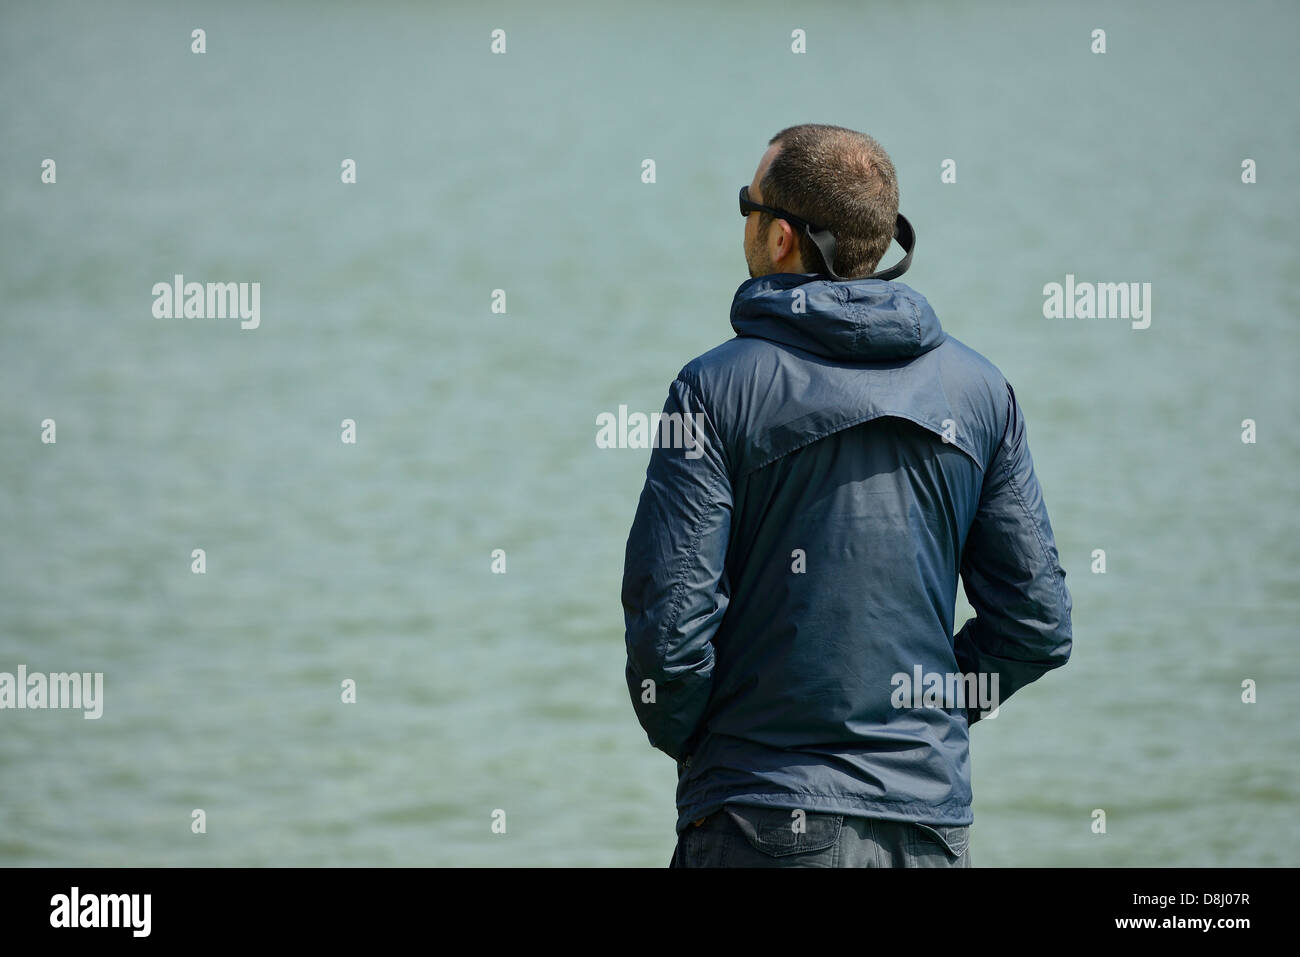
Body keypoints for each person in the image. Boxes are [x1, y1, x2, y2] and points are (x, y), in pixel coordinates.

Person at [621, 123, 1073, 867]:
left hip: (757, 817)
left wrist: (712, 742)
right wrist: (930, 710)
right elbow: (1037, 624)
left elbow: (669, 636)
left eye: (748, 203)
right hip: (927, 831)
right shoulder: (983, 391)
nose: (745, 219)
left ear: (781, 239)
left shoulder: (711, 390)